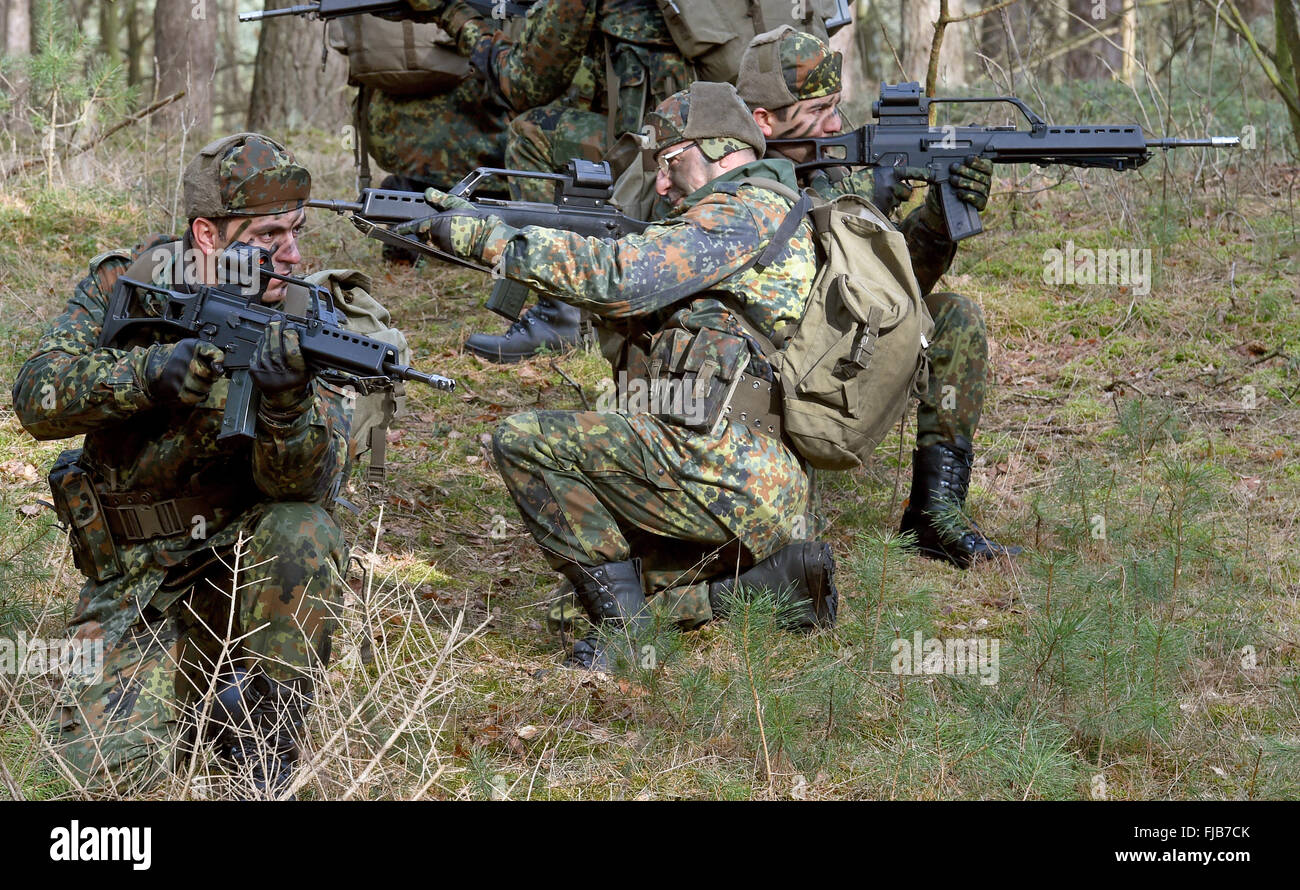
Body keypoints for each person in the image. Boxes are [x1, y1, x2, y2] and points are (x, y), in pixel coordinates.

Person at [405, 82, 837, 668]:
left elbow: (619, 277)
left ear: (717, 148)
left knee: (525, 440)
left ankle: (630, 643)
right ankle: (776, 586)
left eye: (670, 162)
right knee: (569, 608)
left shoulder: (745, 211)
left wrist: (488, 238)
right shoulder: (748, 211)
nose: (660, 183)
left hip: (729, 470)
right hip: (725, 465)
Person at [11, 133, 352, 797]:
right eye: (269, 235)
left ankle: (265, 755)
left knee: (304, 528)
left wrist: (287, 402)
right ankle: (201, 708)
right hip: (133, 583)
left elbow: (312, 482)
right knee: (93, 784)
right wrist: (145, 374)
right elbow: (35, 396)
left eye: (298, 231)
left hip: (242, 584)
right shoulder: (125, 283)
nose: (293, 254)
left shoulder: (308, 320)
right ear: (206, 236)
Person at [737, 26, 1020, 569]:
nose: (834, 124)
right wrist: (847, 205)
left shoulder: (831, 166)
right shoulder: (725, 177)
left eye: (837, 106)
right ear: (763, 120)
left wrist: (937, 218)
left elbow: (892, 296)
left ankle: (934, 513)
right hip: (759, 383)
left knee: (954, 318)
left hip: (836, 358)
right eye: (818, 109)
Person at [420, 0, 691, 363]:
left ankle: (559, 316)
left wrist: (454, 15)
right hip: (710, 138)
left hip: (655, 140)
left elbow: (522, 81)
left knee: (531, 132)